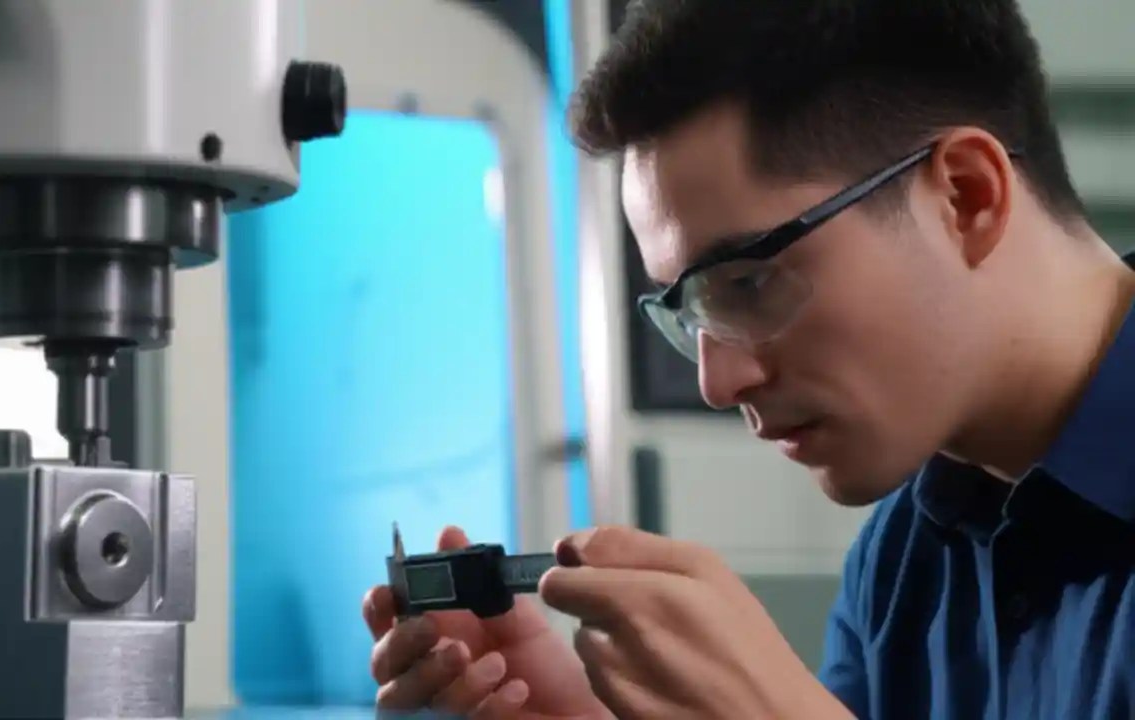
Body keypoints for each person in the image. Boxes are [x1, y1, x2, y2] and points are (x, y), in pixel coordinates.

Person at [364, 0, 1135, 717]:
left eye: (748, 283)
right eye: (687, 309)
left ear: (966, 196)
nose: (717, 380)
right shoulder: (906, 558)